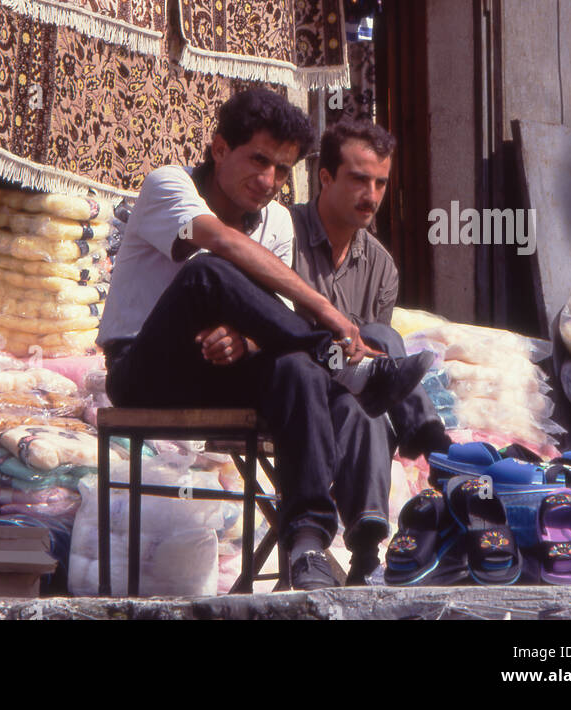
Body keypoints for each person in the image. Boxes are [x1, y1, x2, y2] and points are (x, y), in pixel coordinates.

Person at [97, 87, 433, 591]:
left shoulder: (275, 220)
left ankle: (311, 542)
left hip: (223, 371)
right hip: (147, 370)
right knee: (208, 271)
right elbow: (221, 245)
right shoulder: (169, 185)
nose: (268, 181)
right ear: (219, 149)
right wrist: (325, 314)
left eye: (281, 169)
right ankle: (340, 362)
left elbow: (264, 322)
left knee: (299, 368)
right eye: (258, 160)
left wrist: (245, 343)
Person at [290, 115, 449, 584]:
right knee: (379, 338)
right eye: (360, 179)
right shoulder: (286, 233)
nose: (372, 195)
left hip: (350, 390)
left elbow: (378, 376)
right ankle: (432, 441)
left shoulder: (381, 265)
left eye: (381, 182)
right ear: (325, 176)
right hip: (293, 379)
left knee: (369, 409)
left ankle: (365, 546)